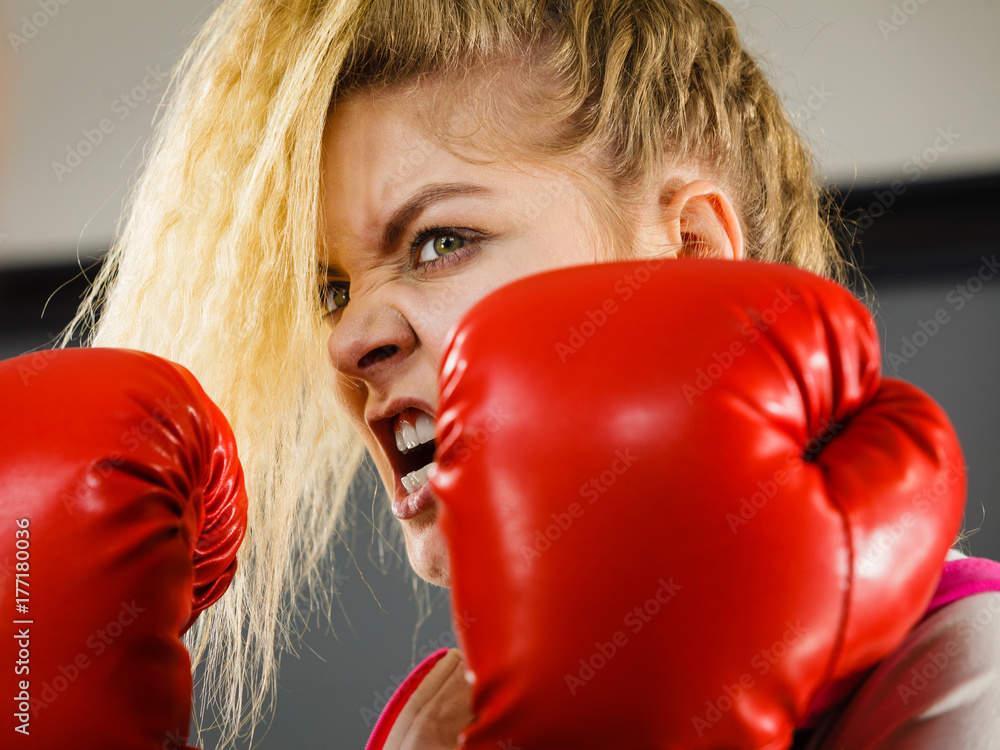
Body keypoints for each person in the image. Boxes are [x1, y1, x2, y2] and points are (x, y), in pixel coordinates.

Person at [54, 0, 999, 747]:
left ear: (694, 251)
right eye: (331, 287)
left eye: (440, 241)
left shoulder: (969, 672)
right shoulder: (439, 720)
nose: (348, 343)